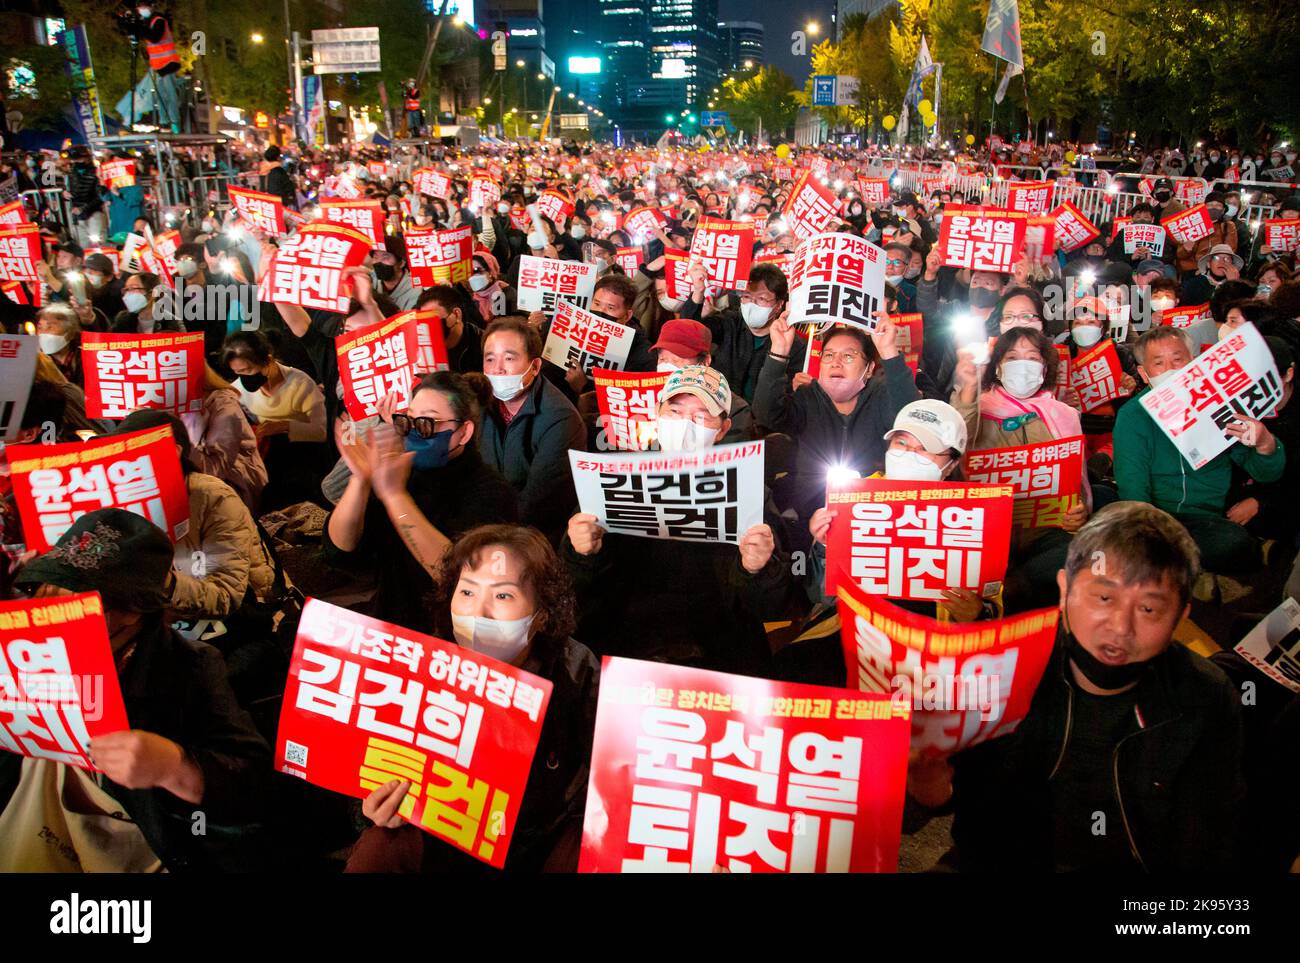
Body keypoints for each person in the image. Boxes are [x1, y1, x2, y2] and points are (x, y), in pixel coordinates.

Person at [928, 502, 1246, 872]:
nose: (1120, 626)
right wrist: (934, 791)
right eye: (1104, 598)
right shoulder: (998, 665)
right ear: (1064, 588)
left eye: (1148, 609)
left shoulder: (1205, 696)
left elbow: (1210, 837)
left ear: (1180, 615)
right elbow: (964, 805)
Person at [1, 509, 272, 872]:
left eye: (79, 600)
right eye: (51, 589)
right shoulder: (23, 648)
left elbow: (254, 782)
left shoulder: (188, 667)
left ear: (133, 612)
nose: (56, 609)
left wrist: (175, 767)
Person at [345, 524, 598, 873]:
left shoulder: (575, 669)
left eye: (503, 596)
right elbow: (374, 773)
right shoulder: (419, 666)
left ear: (542, 615)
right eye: (466, 592)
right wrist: (372, 809)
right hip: (443, 842)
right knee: (380, 844)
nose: (478, 613)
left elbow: (602, 777)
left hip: (540, 843)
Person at [563, 366, 794, 674]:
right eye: (675, 411)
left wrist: (759, 569)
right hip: (625, 648)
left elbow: (772, 607)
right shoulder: (614, 479)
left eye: (701, 416)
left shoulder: (749, 490)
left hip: (716, 656)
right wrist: (579, 552)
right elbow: (572, 592)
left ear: (723, 428)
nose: (686, 424)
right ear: (657, 415)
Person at [323, 371, 519, 631]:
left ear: (464, 432)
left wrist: (395, 498)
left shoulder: (491, 492)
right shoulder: (401, 471)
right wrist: (360, 481)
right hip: (392, 621)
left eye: (429, 422)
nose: (415, 430)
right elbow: (340, 550)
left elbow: (457, 576)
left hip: (450, 636)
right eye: (409, 420)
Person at [1113, 326, 1284, 574]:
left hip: (1211, 516)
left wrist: (1265, 444)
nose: (1171, 369)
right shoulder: (1133, 416)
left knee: (1239, 537)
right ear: (1144, 373)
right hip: (1159, 516)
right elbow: (1133, 484)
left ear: (1193, 362)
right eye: (1159, 363)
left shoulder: (1218, 405)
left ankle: (1182, 571)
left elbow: (1264, 472)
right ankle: (1192, 573)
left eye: (1178, 359)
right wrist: (1148, 532)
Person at [951, 326, 1090, 611]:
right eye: (1012, 357)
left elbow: (1077, 482)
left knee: (1079, 555)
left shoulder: (1065, 416)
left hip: (1045, 535)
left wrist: (1079, 512)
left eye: (1032, 358)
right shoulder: (978, 407)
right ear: (998, 368)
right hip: (990, 537)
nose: (1022, 365)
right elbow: (953, 443)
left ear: (1044, 368)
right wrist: (967, 389)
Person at [756, 315, 919, 525]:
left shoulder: (881, 396)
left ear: (869, 368)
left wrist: (888, 350)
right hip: (808, 511)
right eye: (828, 355)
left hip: (869, 513)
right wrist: (778, 351)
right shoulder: (808, 396)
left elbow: (909, 417)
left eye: (849, 356)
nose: (836, 363)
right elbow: (766, 414)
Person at [479, 317, 586, 540]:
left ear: (535, 366)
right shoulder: (478, 403)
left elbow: (536, 505)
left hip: (532, 538)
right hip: (484, 522)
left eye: (509, 358)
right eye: (490, 359)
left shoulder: (561, 419)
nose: (497, 369)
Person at [223, 330, 328, 509]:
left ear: (268, 360)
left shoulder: (300, 384)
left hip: (305, 455)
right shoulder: (237, 390)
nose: (243, 377)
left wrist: (284, 426)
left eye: (247, 370)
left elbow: (320, 431)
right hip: (268, 456)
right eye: (237, 372)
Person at [678, 261, 800, 401]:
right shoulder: (730, 323)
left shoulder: (792, 344)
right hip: (721, 409)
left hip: (763, 419)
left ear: (779, 305)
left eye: (761, 299)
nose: (752, 304)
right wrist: (698, 291)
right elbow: (687, 330)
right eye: (747, 297)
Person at [179, 363, 268, 514]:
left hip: (232, 489)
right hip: (191, 486)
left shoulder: (223, 405)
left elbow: (215, 472)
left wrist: (176, 436)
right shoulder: (153, 408)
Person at [651, 318, 755, 440]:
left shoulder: (735, 411)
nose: (667, 367)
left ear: (705, 361)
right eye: (663, 359)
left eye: (677, 360)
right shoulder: (653, 398)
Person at [35, 303, 86, 388]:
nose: (43, 333)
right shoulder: (37, 361)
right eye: (40, 328)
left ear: (70, 332)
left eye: (50, 327)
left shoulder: (85, 357)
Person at [260, 146, 297, 211]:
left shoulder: (263, 170)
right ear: (278, 157)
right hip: (279, 202)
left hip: (266, 202)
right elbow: (288, 186)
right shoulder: (279, 170)